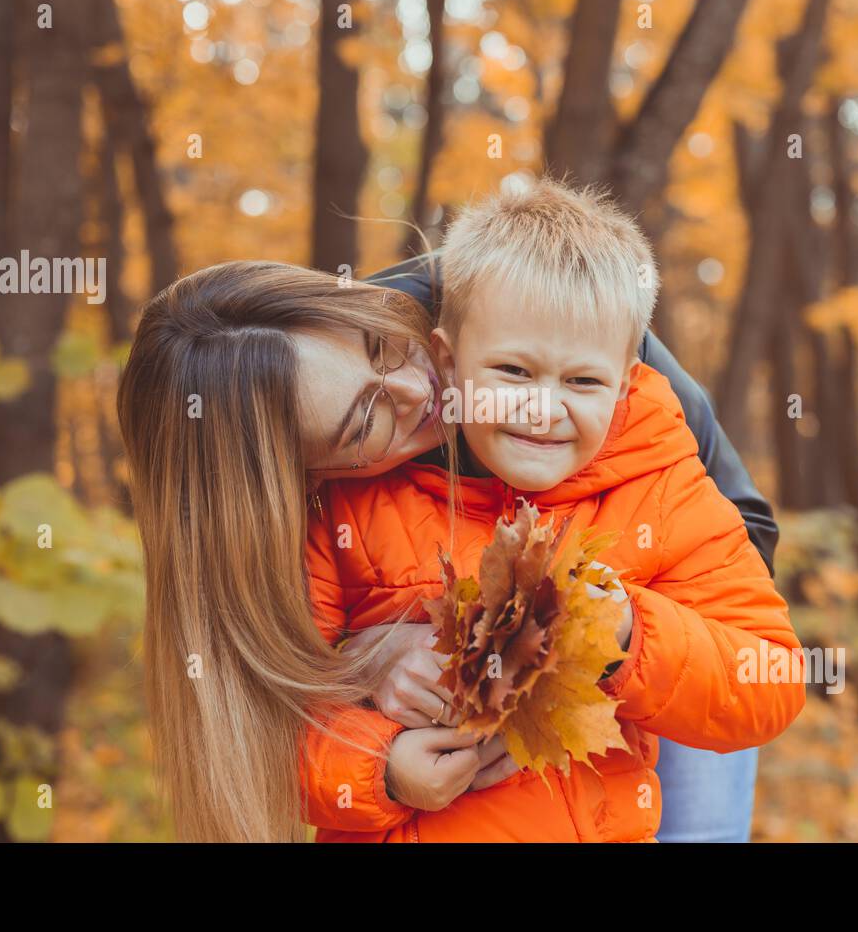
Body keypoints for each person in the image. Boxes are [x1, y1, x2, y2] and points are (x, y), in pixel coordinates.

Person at [117, 204, 780, 844]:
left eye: (381, 350)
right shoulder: (327, 518)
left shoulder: (525, 296)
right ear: (306, 480)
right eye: (363, 420)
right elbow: (269, 724)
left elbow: (742, 628)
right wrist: (362, 679)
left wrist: (609, 635)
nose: (419, 389)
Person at [301, 179, 804, 841]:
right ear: (448, 363)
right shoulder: (356, 493)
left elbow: (765, 679)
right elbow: (269, 714)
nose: (542, 408)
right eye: (512, 371)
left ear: (625, 385)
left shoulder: (664, 490)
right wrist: (379, 766)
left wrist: (627, 632)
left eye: (583, 382)